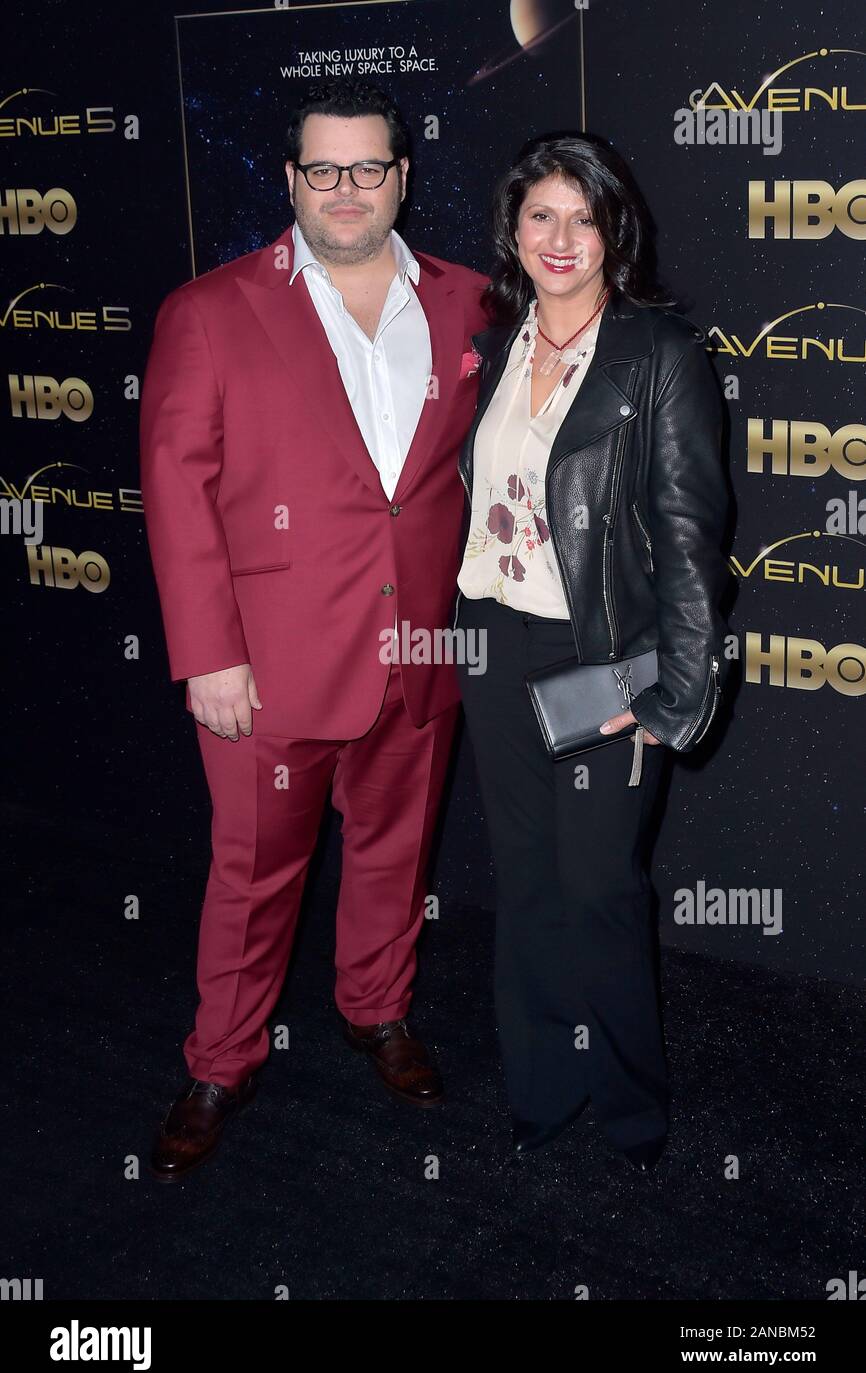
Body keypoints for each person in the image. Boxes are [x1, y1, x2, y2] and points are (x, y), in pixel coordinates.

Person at [139, 79, 488, 1182]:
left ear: (403, 176)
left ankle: (375, 1010)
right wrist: (206, 654)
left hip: (419, 653)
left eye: (369, 168)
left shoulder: (471, 304)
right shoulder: (210, 309)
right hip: (266, 665)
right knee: (252, 876)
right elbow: (177, 485)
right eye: (324, 170)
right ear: (292, 179)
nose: (348, 190)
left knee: (397, 853)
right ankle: (222, 1060)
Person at [454, 133, 730, 1171]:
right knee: (524, 879)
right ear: (511, 233)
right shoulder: (494, 348)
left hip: (600, 654)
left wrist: (668, 694)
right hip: (491, 641)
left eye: (583, 215)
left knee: (598, 884)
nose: (560, 238)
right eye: (539, 216)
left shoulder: (658, 358)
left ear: (616, 229)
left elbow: (691, 543)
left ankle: (626, 1102)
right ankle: (540, 1084)